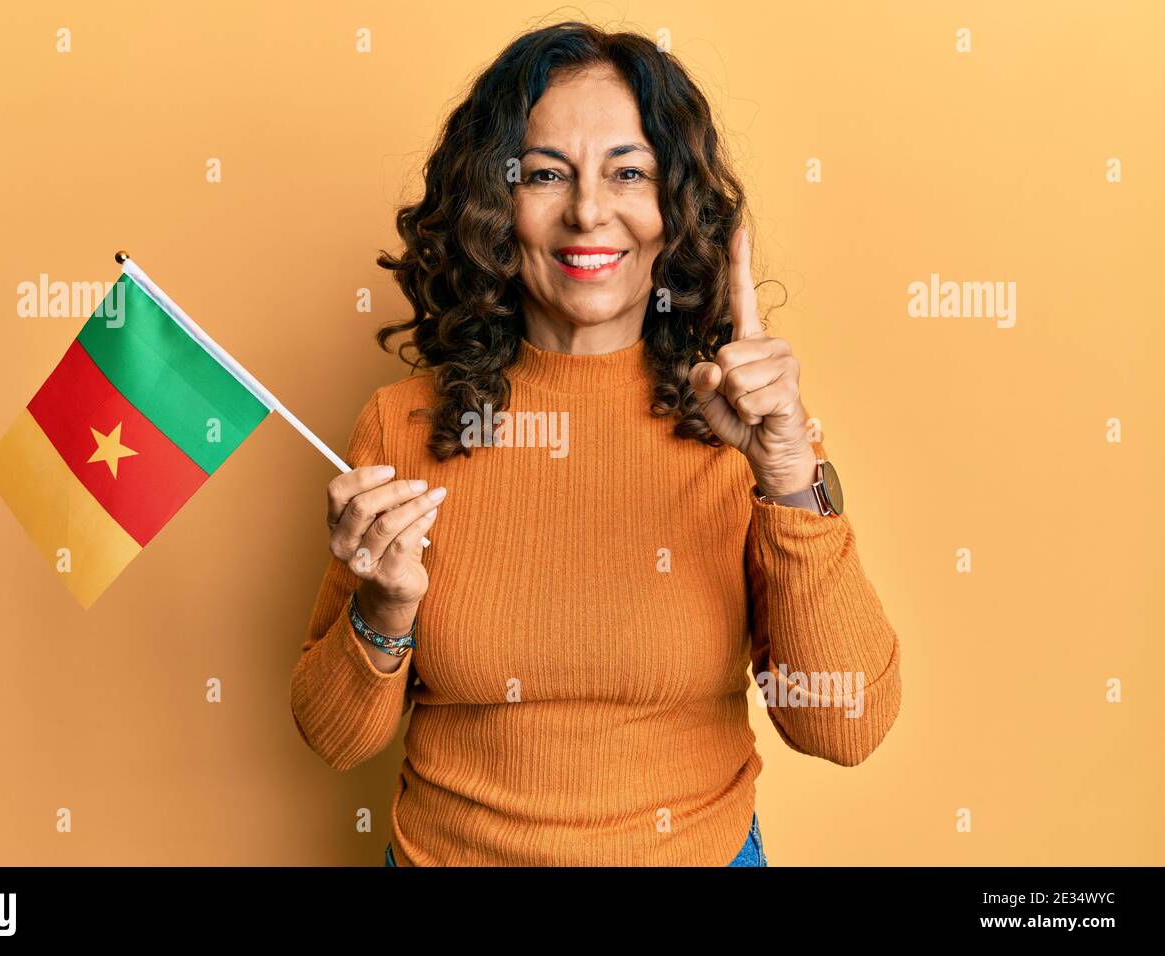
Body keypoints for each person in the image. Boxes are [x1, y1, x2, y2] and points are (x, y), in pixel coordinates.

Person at [290, 21, 901, 867]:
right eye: (546, 174)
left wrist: (791, 477)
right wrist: (383, 614)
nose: (587, 211)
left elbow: (846, 726)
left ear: (674, 208)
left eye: (629, 172)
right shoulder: (403, 424)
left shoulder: (746, 426)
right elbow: (333, 737)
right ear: (494, 203)